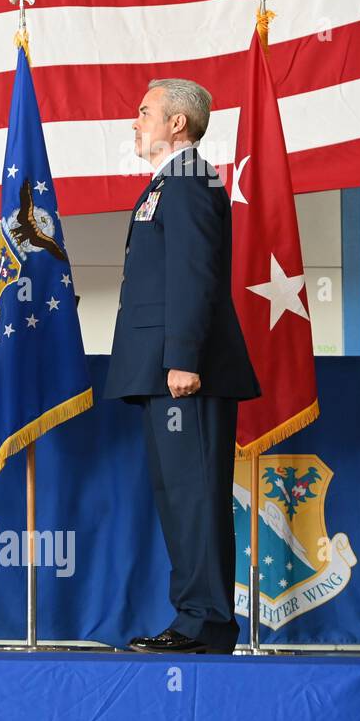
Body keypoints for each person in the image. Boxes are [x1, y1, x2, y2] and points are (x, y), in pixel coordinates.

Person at [104, 78, 259, 654]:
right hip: (163, 367)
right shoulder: (168, 183)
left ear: (177, 123)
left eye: (144, 111)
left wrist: (183, 360)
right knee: (180, 497)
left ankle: (205, 623)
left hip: (183, 372)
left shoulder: (190, 181)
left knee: (195, 496)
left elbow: (193, 274)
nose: (135, 121)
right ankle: (196, 617)